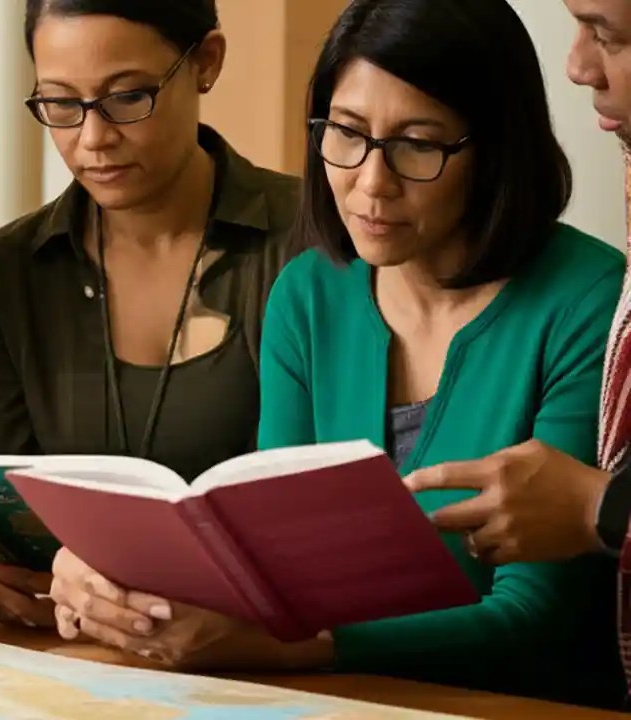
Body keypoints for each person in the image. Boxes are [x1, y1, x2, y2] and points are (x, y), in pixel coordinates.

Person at [48, 0, 626, 708]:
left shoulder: (591, 299)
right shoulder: (311, 292)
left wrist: (302, 649)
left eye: (418, 144)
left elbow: (534, 620)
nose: (371, 183)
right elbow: (271, 563)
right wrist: (112, 577)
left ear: (497, 148)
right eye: (345, 134)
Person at [0, 0, 302, 628]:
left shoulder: (309, 244)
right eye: (60, 104)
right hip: (78, 649)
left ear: (206, 62)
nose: (93, 139)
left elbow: (321, 502)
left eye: (127, 98)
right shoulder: (5, 273)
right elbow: (16, 523)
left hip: (275, 650)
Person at [399, 0, 631, 699]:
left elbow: (530, 616)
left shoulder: (579, 290)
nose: (578, 66)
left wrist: (601, 508)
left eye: (608, 34)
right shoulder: (311, 289)